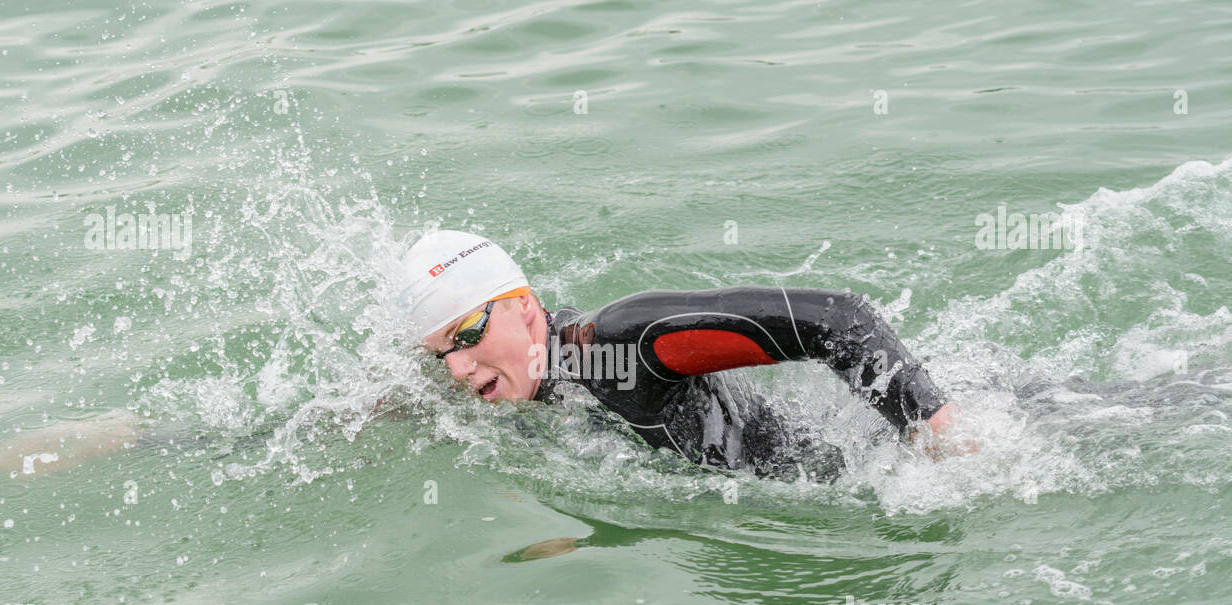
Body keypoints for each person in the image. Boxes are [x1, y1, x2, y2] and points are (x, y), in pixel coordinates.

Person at [400, 230, 963, 480]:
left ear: (524, 307)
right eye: (439, 353)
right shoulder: (519, 382)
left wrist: (938, 437)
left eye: (469, 332)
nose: (457, 367)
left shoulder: (615, 346)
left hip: (840, 476)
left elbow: (841, 319)